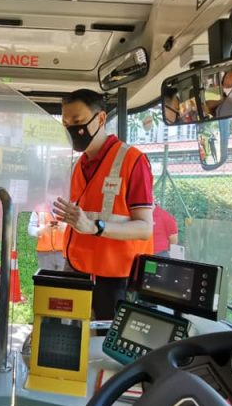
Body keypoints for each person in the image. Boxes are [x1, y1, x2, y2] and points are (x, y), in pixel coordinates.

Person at [54, 89, 154, 322]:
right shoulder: (78, 166)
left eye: (77, 122)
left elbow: (145, 228)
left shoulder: (133, 161)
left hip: (115, 280)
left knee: (107, 351)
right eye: (65, 123)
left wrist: (95, 227)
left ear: (100, 119)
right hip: (77, 271)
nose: (71, 129)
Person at [27, 181, 67, 271]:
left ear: (62, 193)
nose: (55, 195)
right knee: (47, 280)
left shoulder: (67, 209)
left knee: (62, 281)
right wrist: (42, 230)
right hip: (44, 253)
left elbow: (75, 229)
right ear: (47, 192)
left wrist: (65, 228)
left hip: (63, 253)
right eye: (52, 192)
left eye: (57, 192)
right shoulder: (38, 209)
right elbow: (30, 229)